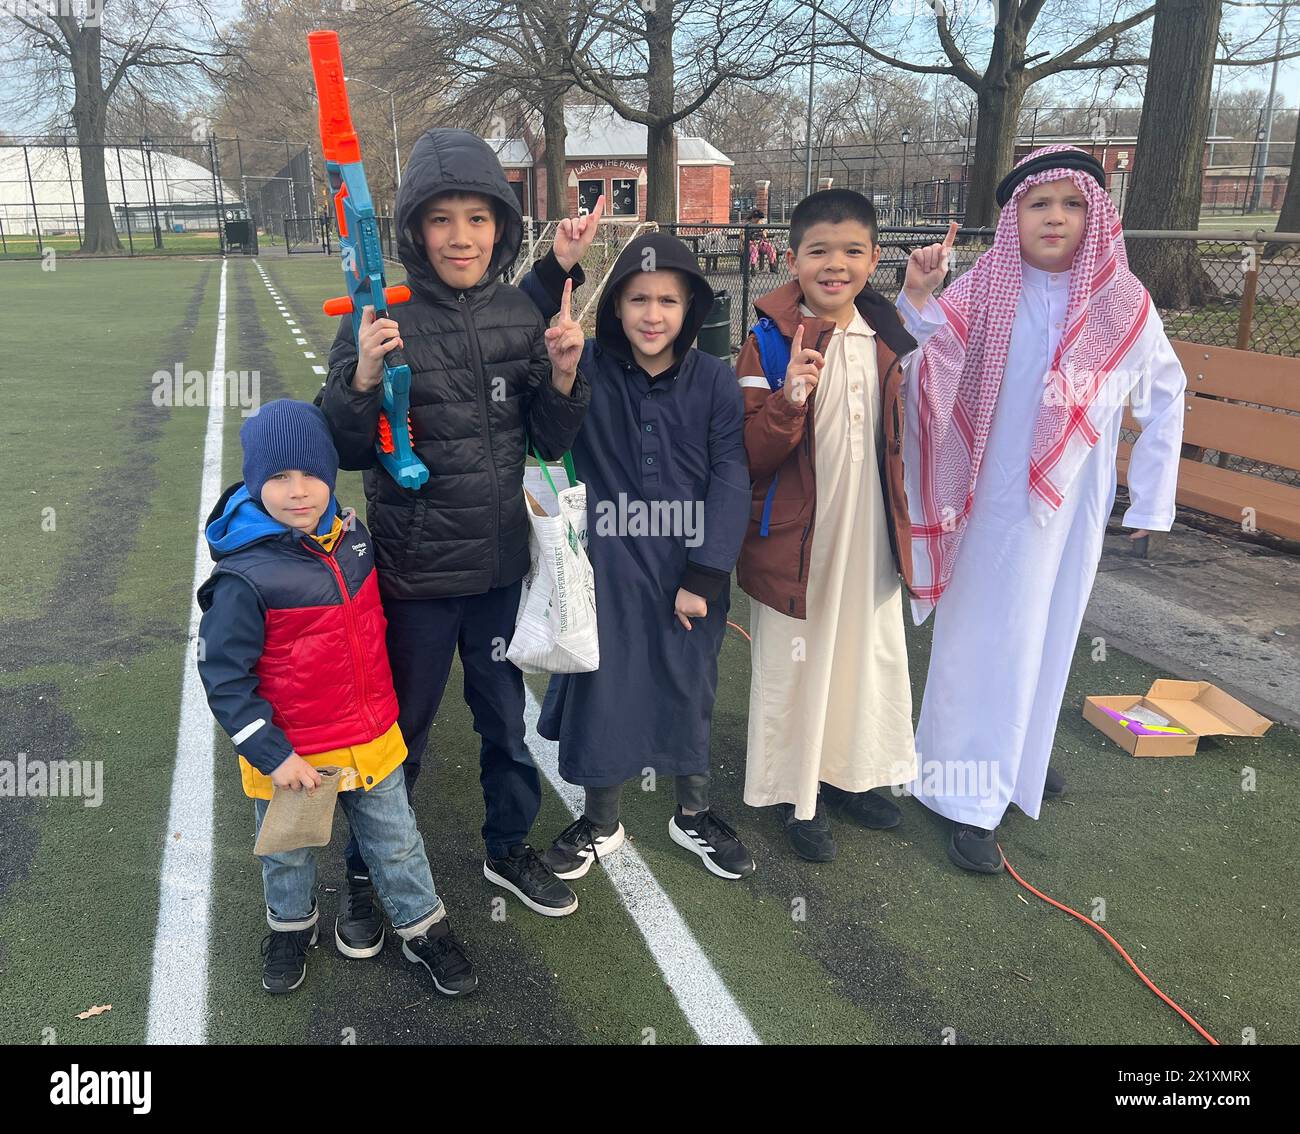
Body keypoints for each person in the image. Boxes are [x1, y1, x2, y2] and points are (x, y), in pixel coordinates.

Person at [316, 129, 591, 922]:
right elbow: (339, 444)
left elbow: (548, 438)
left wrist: (567, 374)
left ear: (502, 225)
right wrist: (364, 375)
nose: (462, 236)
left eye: (478, 218)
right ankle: (370, 873)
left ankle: (508, 849)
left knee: (506, 726)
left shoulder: (518, 314)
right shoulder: (377, 316)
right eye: (442, 220)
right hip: (417, 577)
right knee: (399, 735)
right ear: (413, 231)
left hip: (501, 573)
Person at [896, 144, 1186, 873]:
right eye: (1037, 204)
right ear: (1013, 217)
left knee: (1050, 630)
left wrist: (1152, 498)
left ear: (1096, 215)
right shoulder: (986, 290)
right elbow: (921, 371)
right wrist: (921, 302)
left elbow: (1165, 393)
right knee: (987, 640)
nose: (1054, 217)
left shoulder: (1123, 302)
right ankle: (963, 794)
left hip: (1072, 504)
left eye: (1071, 204)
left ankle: (1018, 760)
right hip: (990, 502)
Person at [196, 399, 477, 997]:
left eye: (311, 474)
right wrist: (273, 754)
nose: (298, 491)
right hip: (295, 756)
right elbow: (225, 678)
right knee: (289, 854)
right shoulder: (244, 577)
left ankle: (423, 929)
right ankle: (291, 928)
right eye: (277, 477)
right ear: (253, 482)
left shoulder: (352, 539)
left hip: (371, 737)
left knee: (398, 843)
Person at [523, 231, 756, 880]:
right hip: (609, 566)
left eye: (668, 301)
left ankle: (693, 813)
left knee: (690, 686)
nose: (652, 315)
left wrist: (705, 575)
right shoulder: (589, 364)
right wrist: (563, 375)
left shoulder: (713, 379)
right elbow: (545, 442)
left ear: (689, 308)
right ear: (616, 306)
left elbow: (731, 476)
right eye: (637, 299)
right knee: (606, 691)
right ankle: (601, 821)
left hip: (687, 571)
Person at [736, 189, 920, 862]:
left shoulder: (889, 338)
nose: (834, 265)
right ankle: (797, 792)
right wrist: (789, 402)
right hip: (797, 540)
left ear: (874, 258)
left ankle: (848, 773)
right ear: (792, 260)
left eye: (851, 251)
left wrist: (924, 305)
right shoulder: (767, 340)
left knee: (862, 656)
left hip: (868, 531)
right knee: (798, 660)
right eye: (818, 251)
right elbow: (751, 454)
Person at [745, 208, 779, 273]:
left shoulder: (761, 224)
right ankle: (753, 268)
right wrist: (750, 241)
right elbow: (743, 238)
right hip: (749, 244)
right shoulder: (746, 224)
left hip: (760, 243)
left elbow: (765, 234)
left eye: (759, 218)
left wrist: (763, 234)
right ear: (752, 218)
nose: (758, 220)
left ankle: (772, 266)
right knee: (754, 250)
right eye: (756, 218)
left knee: (769, 247)